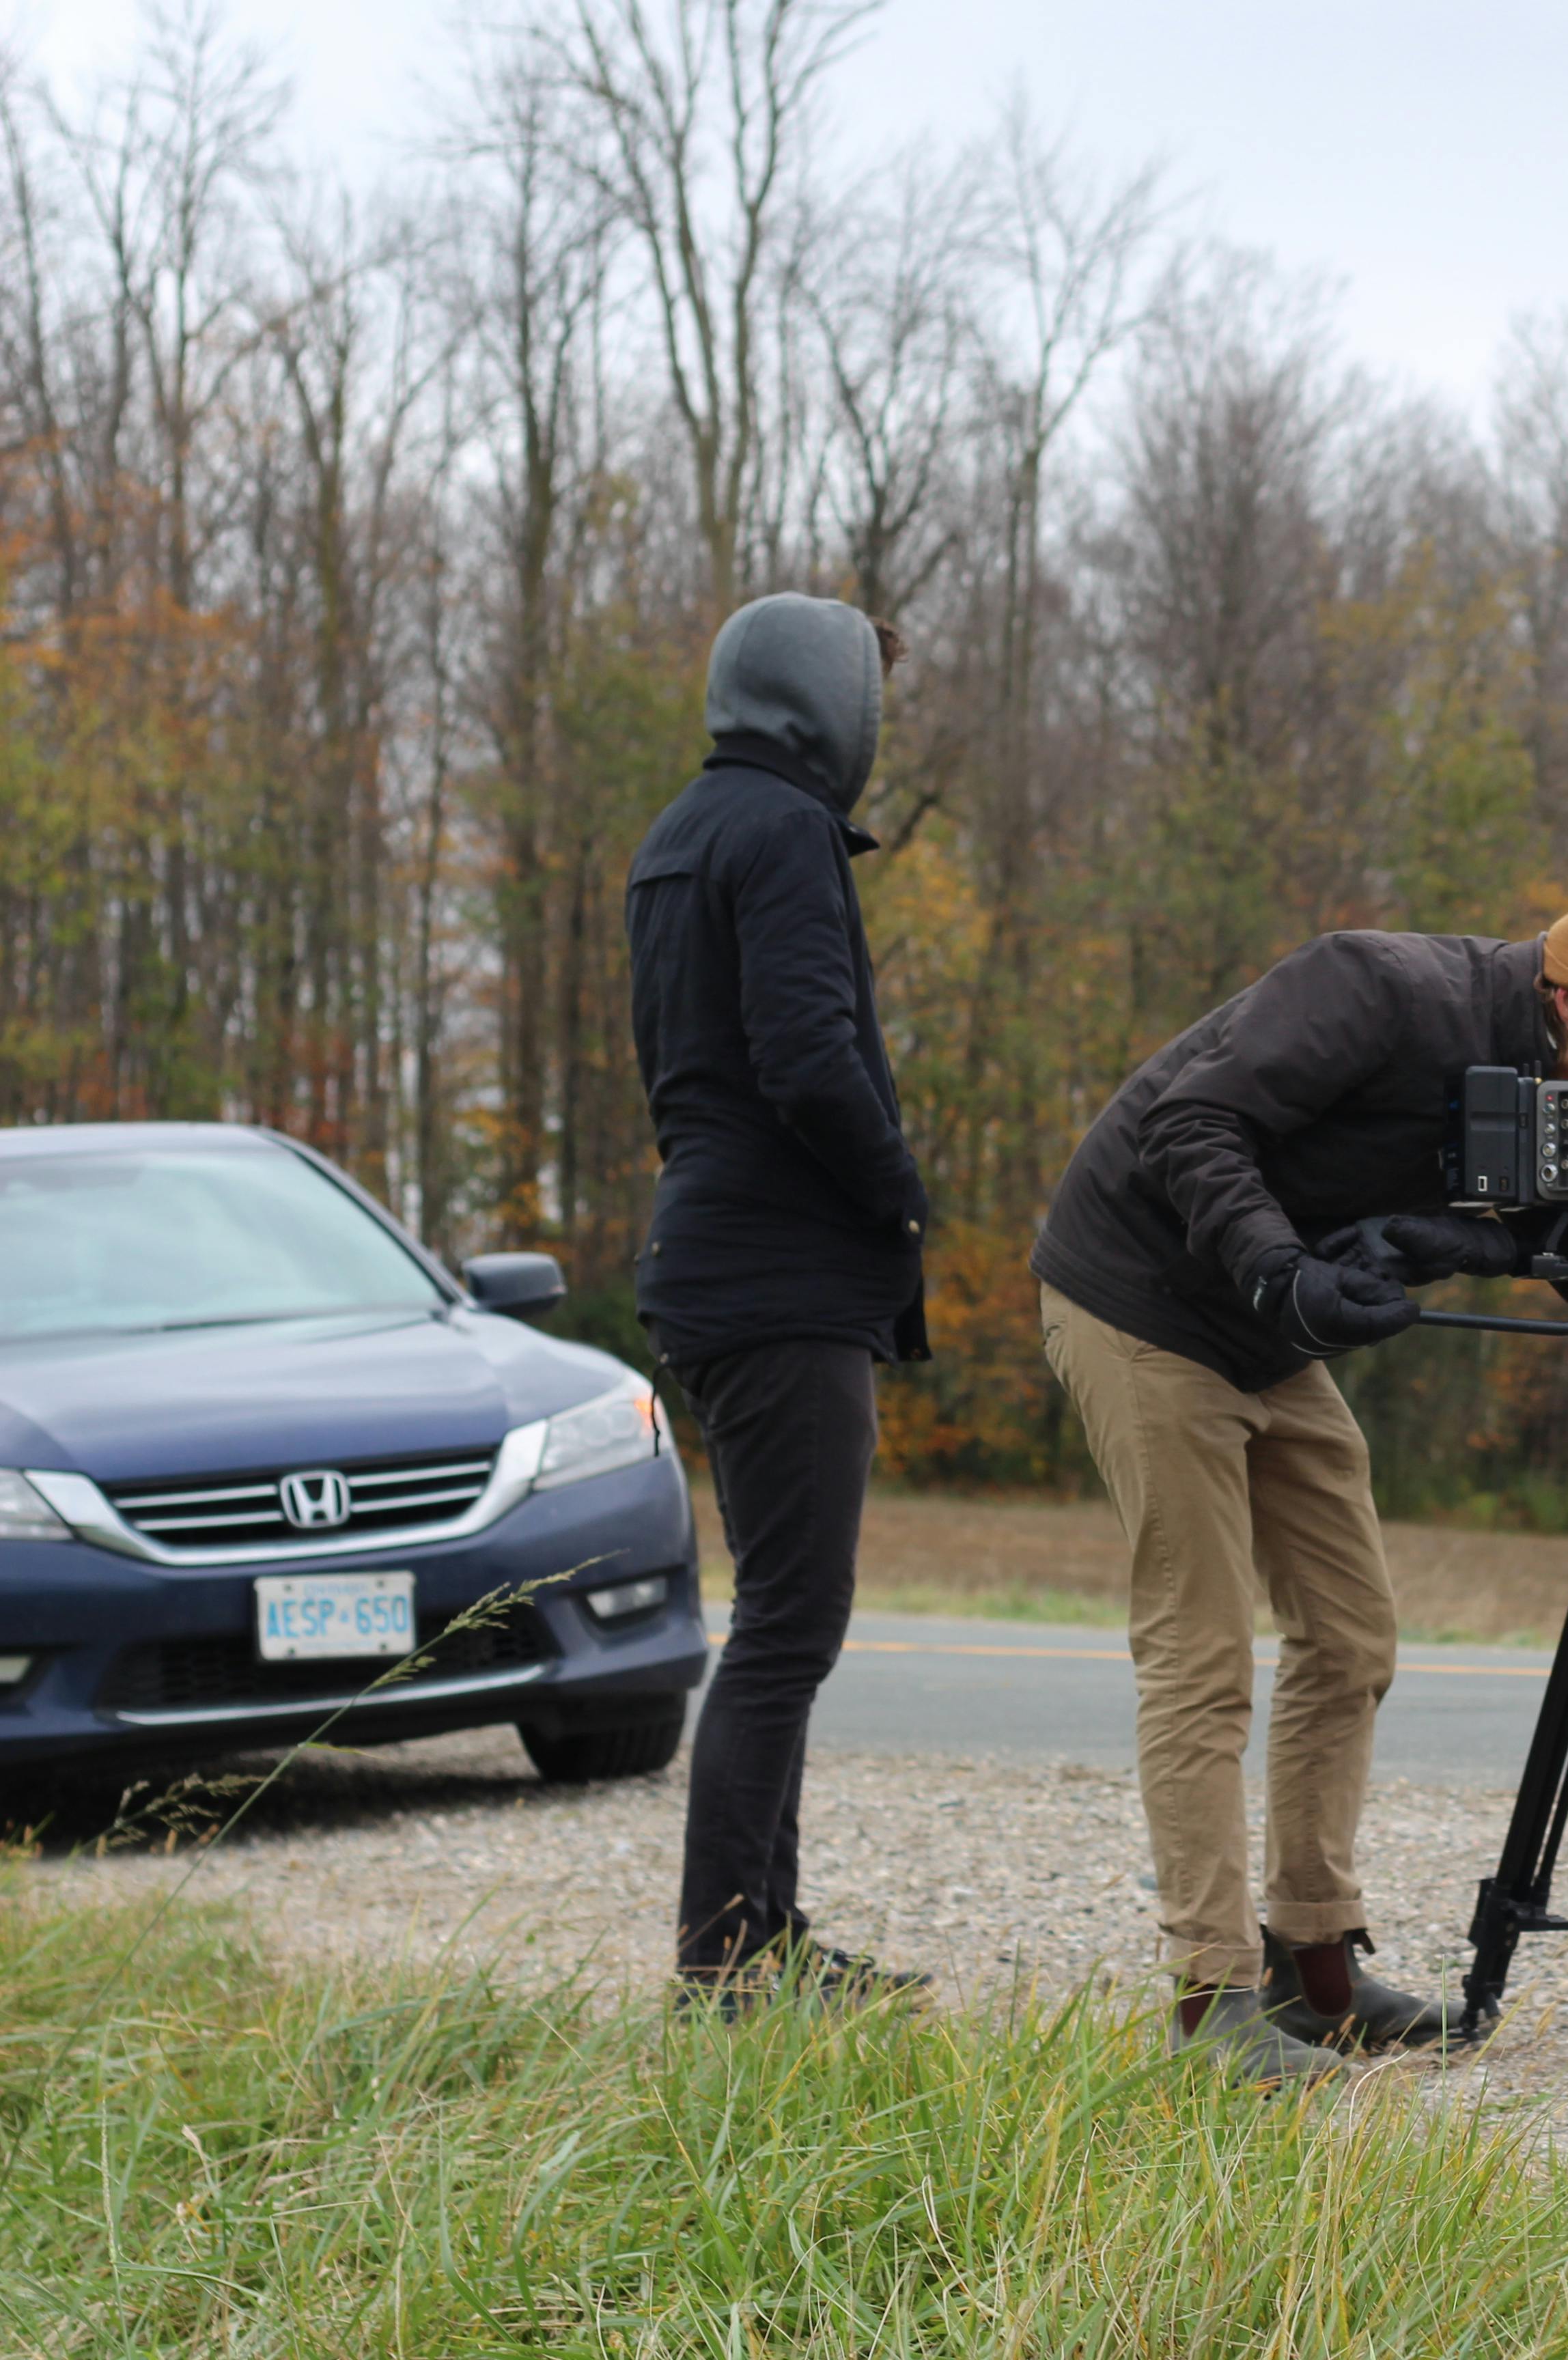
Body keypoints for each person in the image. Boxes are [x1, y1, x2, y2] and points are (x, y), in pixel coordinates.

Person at [1030, 880, 1568, 2084]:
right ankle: (1209, 2007)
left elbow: (1563, 1239)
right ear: (1566, 998)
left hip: (1271, 1333)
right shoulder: (1375, 989)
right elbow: (1188, 1126)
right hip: (1143, 1300)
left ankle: (1314, 1963)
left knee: (1352, 1637)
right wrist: (1282, 1275)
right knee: (1203, 1655)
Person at [626, 593, 931, 2013]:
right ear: (823, 702)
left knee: (776, 1622)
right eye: (872, 691)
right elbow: (810, 1056)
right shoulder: (785, 833)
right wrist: (897, 1189)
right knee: (791, 1630)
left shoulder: (678, 838)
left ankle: (768, 1938)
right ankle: (722, 1972)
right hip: (777, 1275)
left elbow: (682, 1076)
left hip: (710, 1260)